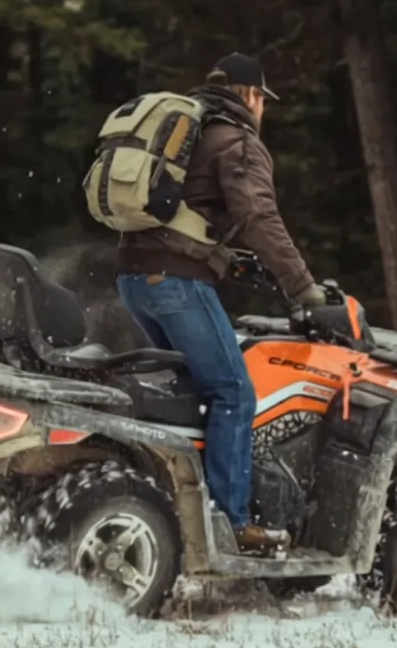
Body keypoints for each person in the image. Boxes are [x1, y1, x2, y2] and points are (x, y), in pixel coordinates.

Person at [116, 52, 325, 553]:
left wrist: (226, 262)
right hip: (175, 283)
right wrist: (306, 290)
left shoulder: (187, 126)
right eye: (262, 100)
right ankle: (230, 527)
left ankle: (180, 507)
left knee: (191, 396)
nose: (262, 111)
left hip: (133, 276)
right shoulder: (238, 139)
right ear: (250, 95)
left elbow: (184, 214)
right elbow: (259, 218)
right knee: (234, 392)